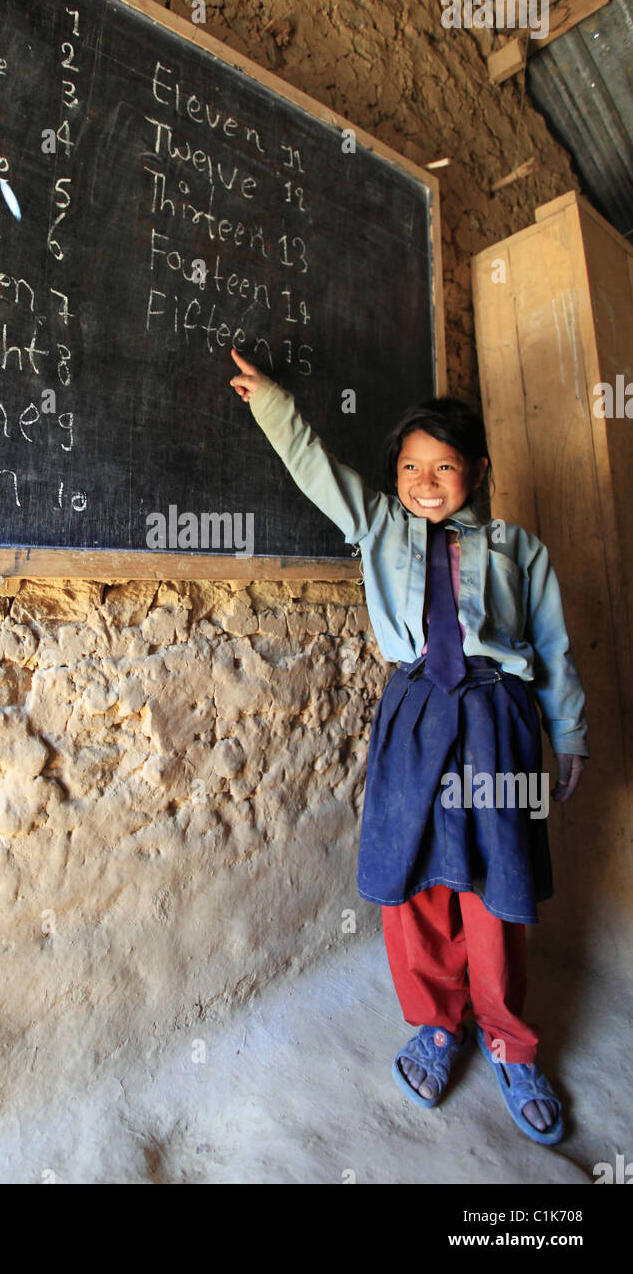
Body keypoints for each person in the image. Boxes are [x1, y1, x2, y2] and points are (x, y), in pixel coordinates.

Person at [228, 346, 587, 1146]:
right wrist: (273, 405)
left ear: (478, 470)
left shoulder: (519, 551)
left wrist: (567, 735)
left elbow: (556, 649)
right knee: (413, 880)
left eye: (446, 466)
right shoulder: (378, 524)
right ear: (396, 474)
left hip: (498, 723)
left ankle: (508, 1040)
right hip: (414, 720)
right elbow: (316, 466)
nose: (426, 481)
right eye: (412, 466)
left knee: (496, 887)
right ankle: (435, 1023)